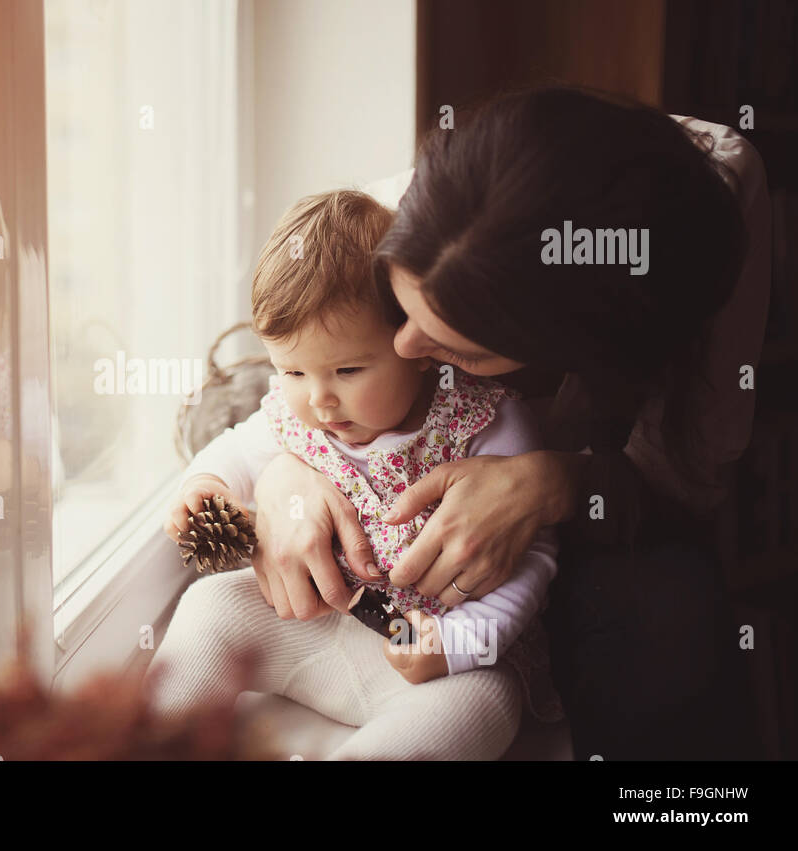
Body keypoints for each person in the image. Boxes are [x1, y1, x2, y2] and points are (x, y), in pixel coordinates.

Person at [248, 86, 770, 760]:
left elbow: (687, 478)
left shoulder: (711, 226)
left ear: (575, 345)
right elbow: (295, 373)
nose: (405, 348)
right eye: (399, 311)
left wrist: (554, 481)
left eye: (454, 347)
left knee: (666, 619)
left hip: (610, 503)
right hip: (394, 558)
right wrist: (282, 474)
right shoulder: (392, 213)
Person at [146, 189, 560, 760]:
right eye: (291, 369)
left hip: (429, 655)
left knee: (480, 705)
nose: (319, 401)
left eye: (348, 369)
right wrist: (205, 489)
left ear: (417, 343)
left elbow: (530, 557)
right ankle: (145, 742)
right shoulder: (295, 412)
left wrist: (459, 645)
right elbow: (235, 451)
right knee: (209, 608)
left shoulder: (484, 421)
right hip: (310, 618)